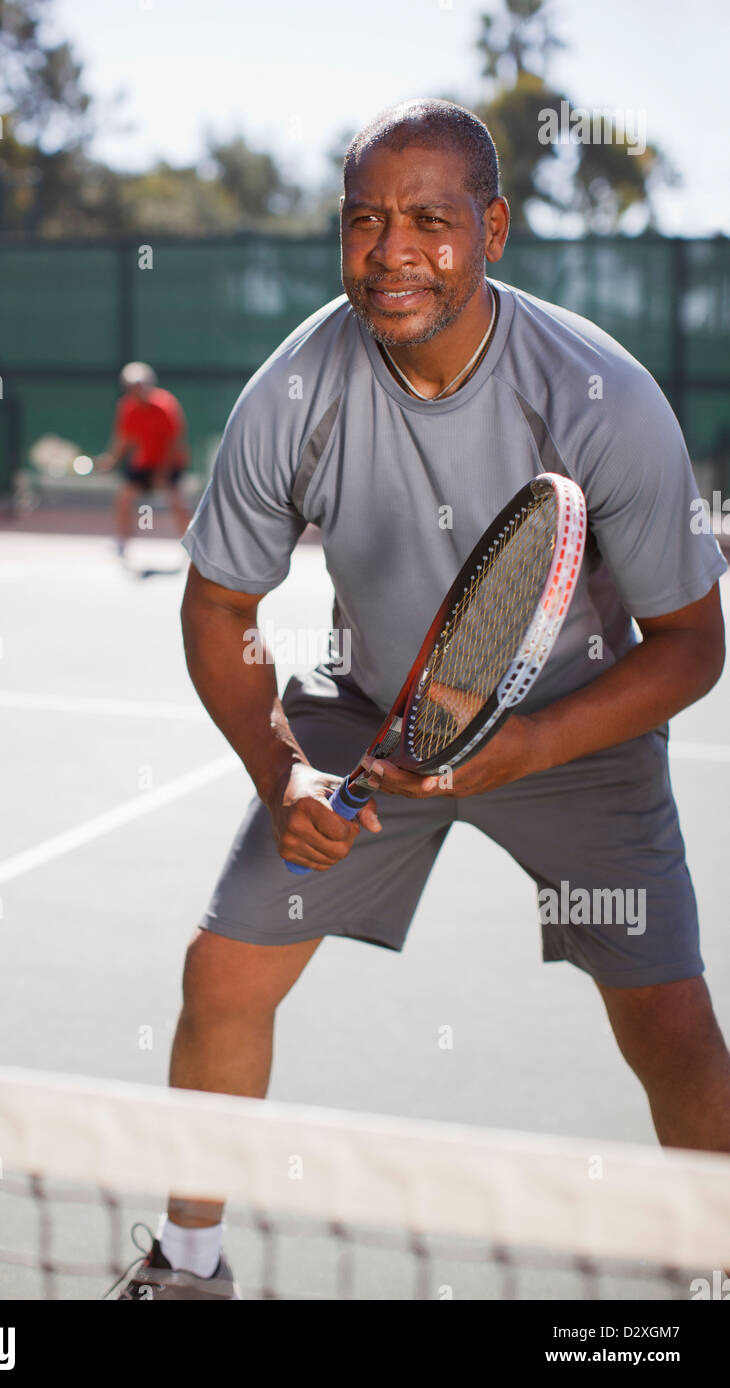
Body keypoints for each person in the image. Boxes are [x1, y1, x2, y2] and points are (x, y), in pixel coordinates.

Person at [116, 99, 730, 1300]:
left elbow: (693, 644)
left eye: (430, 221)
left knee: (666, 1022)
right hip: (371, 717)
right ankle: (188, 1267)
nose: (391, 250)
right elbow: (213, 610)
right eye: (364, 221)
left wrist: (535, 740)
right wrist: (280, 768)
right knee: (222, 971)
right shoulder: (297, 388)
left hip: (580, 734)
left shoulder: (602, 398)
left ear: (492, 228)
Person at [97, 362, 192, 556]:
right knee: (124, 497)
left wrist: (162, 474)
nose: (135, 391)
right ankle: (122, 541)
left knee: (177, 501)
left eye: (139, 386)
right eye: (131, 387)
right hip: (144, 462)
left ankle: (190, 544)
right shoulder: (128, 407)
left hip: (170, 462)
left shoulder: (165, 405)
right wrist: (112, 460)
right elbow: (124, 438)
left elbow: (173, 443)